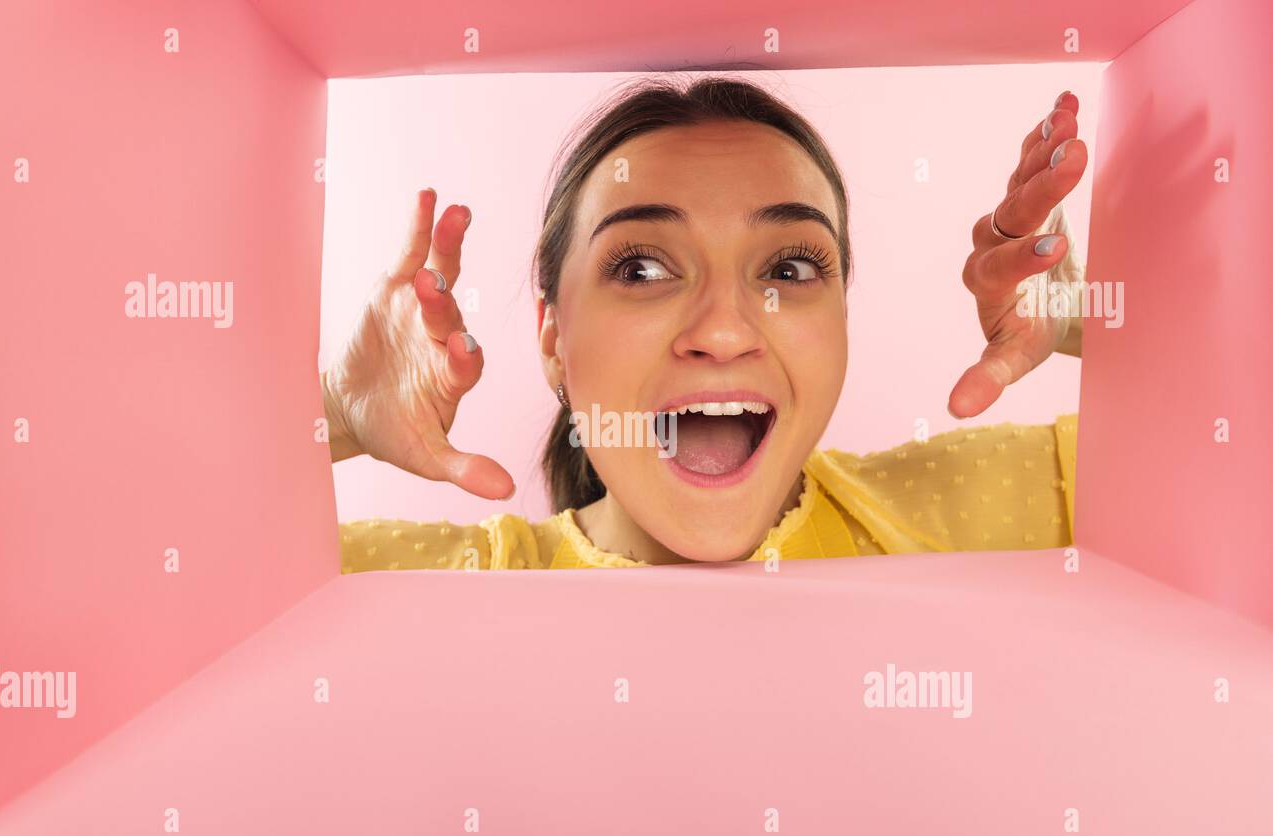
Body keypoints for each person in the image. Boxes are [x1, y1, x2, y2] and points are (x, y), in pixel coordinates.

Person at [320, 75, 1086, 571]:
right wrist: (329, 415)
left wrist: (1105, 325)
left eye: (787, 270)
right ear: (553, 337)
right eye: (641, 269)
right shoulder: (449, 590)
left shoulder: (960, 513)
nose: (722, 332)